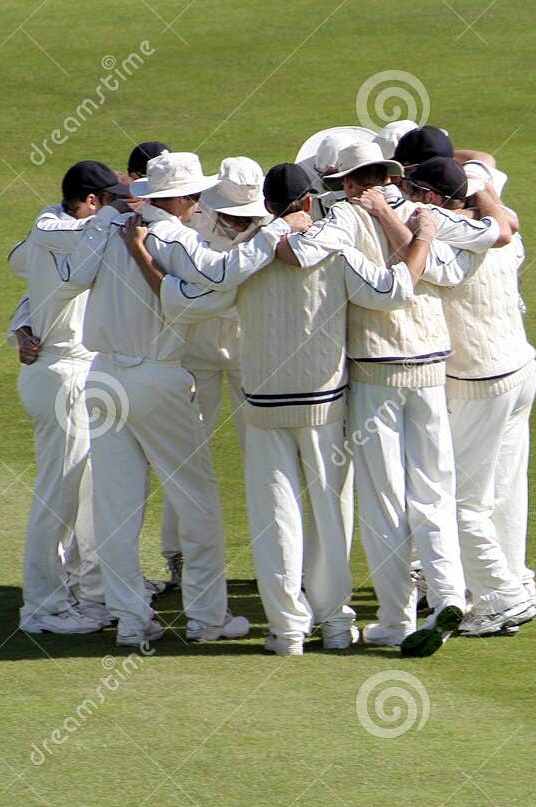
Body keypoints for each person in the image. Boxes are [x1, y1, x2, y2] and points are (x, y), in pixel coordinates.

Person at [129, 162, 442, 655]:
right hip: (324, 405)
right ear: (308, 203)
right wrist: (422, 238)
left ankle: (288, 631)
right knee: (330, 517)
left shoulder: (241, 255)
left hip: (264, 407)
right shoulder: (334, 251)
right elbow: (394, 291)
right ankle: (335, 626)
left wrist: (143, 256)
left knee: (274, 519)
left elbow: (187, 303)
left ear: (266, 207)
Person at [60, 151, 303, 647]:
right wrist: (276, 233)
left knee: (116, 505)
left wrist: (110, 216)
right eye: (193, 196)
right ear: (181, 197)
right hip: (156, 377)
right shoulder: (170, 234)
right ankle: (207, 619)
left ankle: (131, 620)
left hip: (103, 376)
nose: (197, 205)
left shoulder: (110, 228)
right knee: (198, 502)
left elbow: (70, 276)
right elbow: (218, 273)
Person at [283, 141, 500, 656]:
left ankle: (398, 618)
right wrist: (416, 230)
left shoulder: (340, 219)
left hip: (377, 373)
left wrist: (283, 229)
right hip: (429, 367)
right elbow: (489, 232)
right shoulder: (424, 213)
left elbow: (303, 253)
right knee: (433, 491)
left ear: (352, 182)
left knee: (384, 502)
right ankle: (447, 594)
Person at [402, 157, 536, 636]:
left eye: (413, 188)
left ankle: (502, 597)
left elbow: (416, 265)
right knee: (501, 490)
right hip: (519, 369)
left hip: (482, 379)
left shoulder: (447, 239)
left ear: (435, 197)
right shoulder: (501, 224)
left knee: (459, 500)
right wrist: (479, 183)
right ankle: (513, 581)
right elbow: (488, 174)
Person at [6, 160, 130, 636]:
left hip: (73, 371)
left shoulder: (62, 233)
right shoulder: (62, 232)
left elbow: (25, 266)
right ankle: (42, 608)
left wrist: (21, 324)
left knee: (83, 490)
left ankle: (80, 593)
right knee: (57, 498)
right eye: (112, 202)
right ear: (92, 202)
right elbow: (37, 249)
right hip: (62, 375)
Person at [157, 156, 267, 591]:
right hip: (195, 352)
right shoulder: (189, 226)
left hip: (250, 353)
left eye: (247, 217)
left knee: (263, 460)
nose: (240, 224)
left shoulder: (267, 224)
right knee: (185, 458)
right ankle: (178, 556)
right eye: (231, 216)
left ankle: (275, 563)